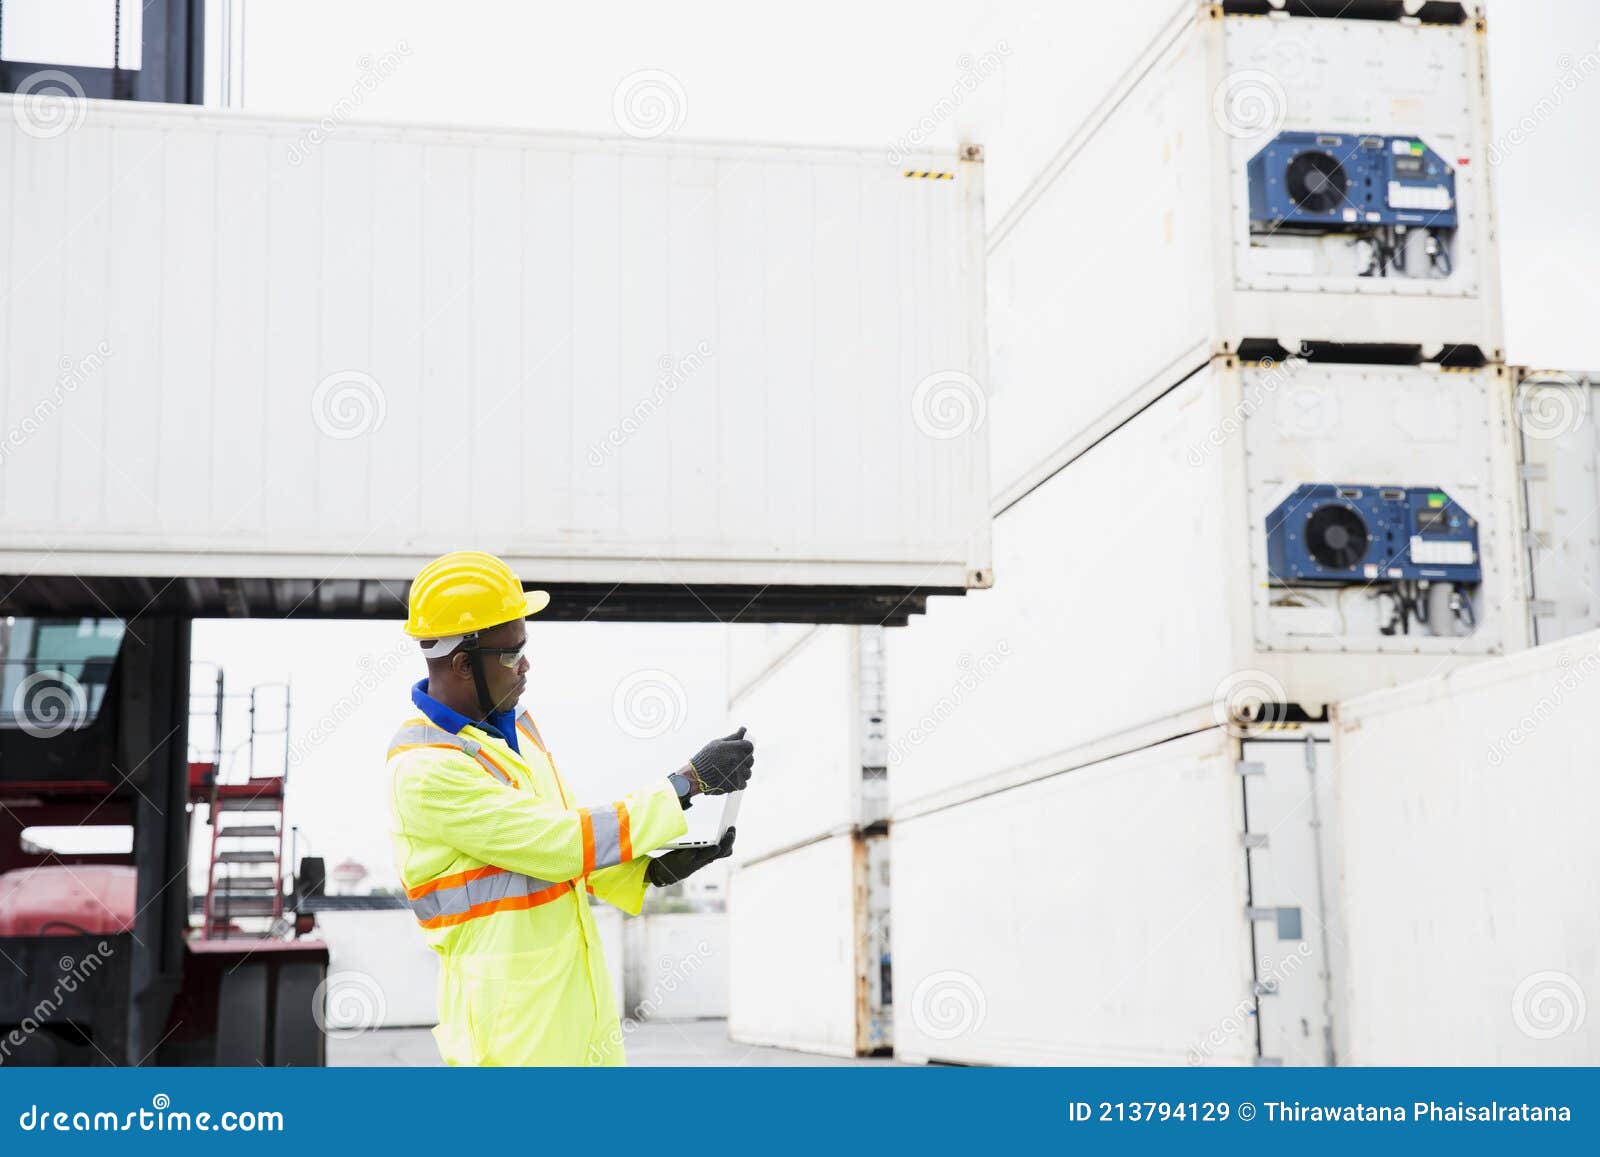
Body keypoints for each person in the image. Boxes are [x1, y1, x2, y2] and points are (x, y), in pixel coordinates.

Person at [385, 550, 754, 1065]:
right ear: (464, 664)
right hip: (510, 1036)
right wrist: (685, 785)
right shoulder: (427, 768)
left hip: (575, 1016)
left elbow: (556, 850)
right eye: (512, 653)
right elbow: (560, 846)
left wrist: (647, 871)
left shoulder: (518, 735)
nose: (527, 664)